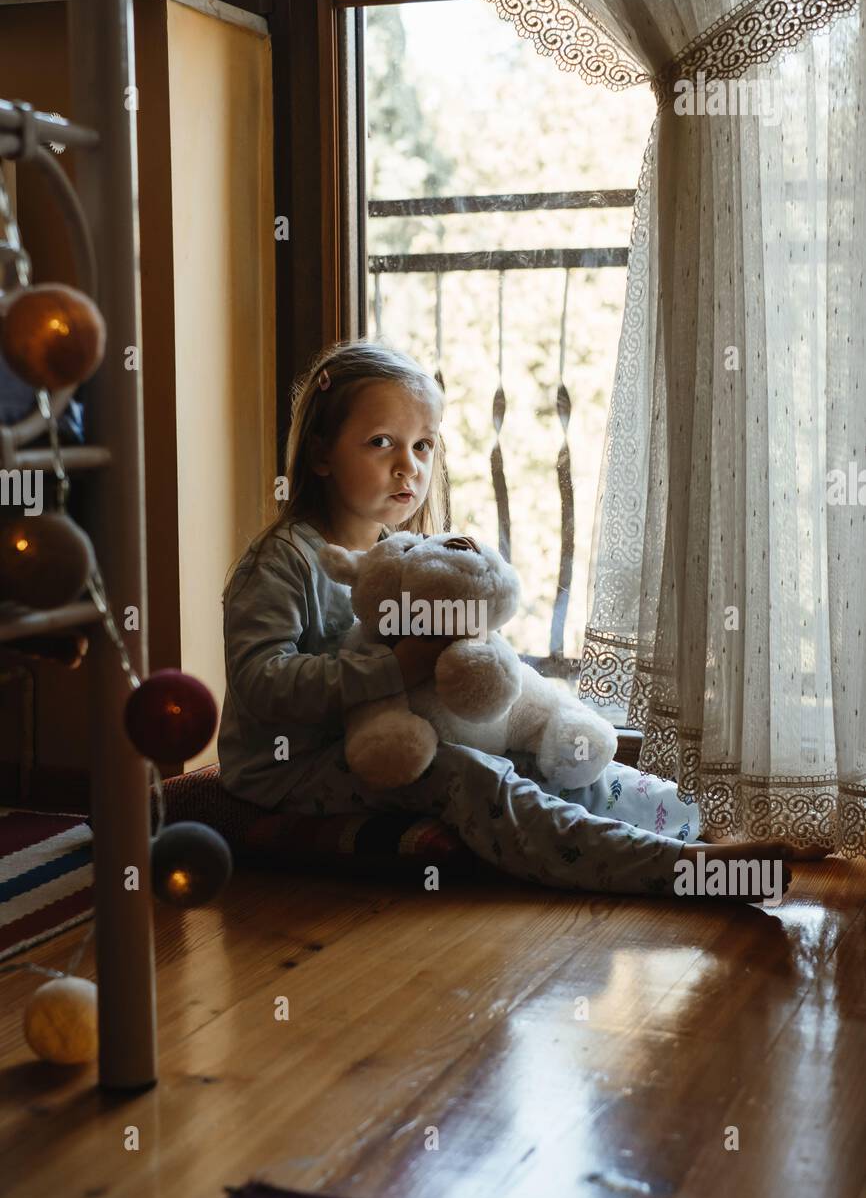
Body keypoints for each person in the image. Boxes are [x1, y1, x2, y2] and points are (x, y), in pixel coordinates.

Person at [218, 339, 826, 901]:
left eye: (423, 445)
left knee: (551, 752)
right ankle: (672, 870)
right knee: (472, 774)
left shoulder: (402, 553)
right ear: (321, 453)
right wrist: (393, 667)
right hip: (295, 767)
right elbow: (261, 681)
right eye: (381, 443)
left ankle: (712, 821)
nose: (409, 467)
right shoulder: (281, 561)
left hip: (403, 730)